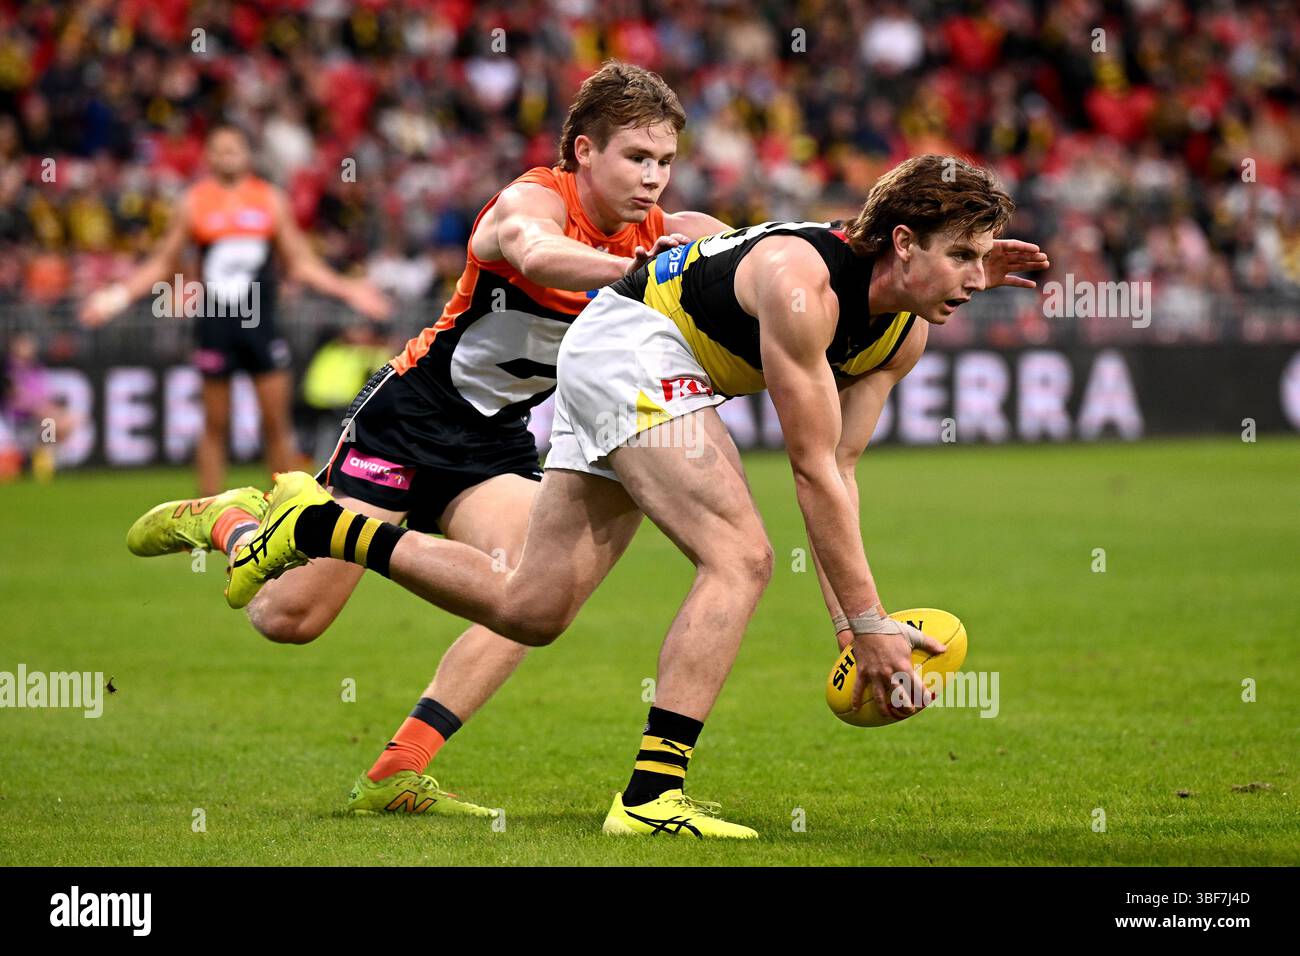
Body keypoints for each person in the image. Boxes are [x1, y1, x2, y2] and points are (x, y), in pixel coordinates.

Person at [221, 155, 1050, 838]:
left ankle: (323, 527)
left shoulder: (902, 333)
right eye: (963, 256)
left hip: (630, 357)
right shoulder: (805, 284)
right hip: (633, 344)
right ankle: (653, 795)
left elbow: (841, 472)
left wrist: (855, 628)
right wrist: (868, 628)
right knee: (740, 557)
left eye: (983, 257)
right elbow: (809, 474)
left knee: (532, 609)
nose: (978, 279)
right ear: (902, 242)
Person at [125, 62, 730, 818]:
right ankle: (233, 520)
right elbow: (535, 252)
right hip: (409, 420)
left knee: (531, 599)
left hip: (495, 442)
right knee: (287, 619)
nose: (654, 178)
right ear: (584, 150)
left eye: (665, 161)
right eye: (637, 157)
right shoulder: (532, 201)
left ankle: (398, 768)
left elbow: (754, 259)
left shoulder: (668, 235)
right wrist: (627, 271)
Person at [81, 123, 391, 496]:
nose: (226, 154)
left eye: (233, 147)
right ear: (208, 156)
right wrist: (115, 297)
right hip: (216, 326)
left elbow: (300, 263)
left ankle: (289, 513)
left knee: (275, 424)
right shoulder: (195, 201)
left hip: (262, 326)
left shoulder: (269, 200)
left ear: (247, 153)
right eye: (218, 148)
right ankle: (207, 515)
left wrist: (349, 290)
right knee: (214, 426)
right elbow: (163, 262)